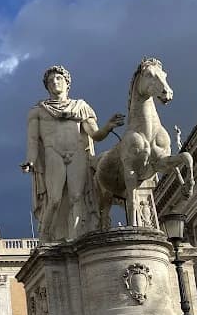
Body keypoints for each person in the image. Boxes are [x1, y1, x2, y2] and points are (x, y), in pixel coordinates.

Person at [22, 65, 123, 242]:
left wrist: (108, 127)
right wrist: (30, 161)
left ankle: (77, 237)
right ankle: (45, 235)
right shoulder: (38, 111)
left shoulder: (81, 107)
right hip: (53, 152)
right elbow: (32, 140)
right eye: (50, 80)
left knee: (77, 197)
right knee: (54, 199)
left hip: (77, 153)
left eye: (58, 78)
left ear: (67, 83)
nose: (54, 82)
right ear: (47, 86)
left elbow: (95, 135)